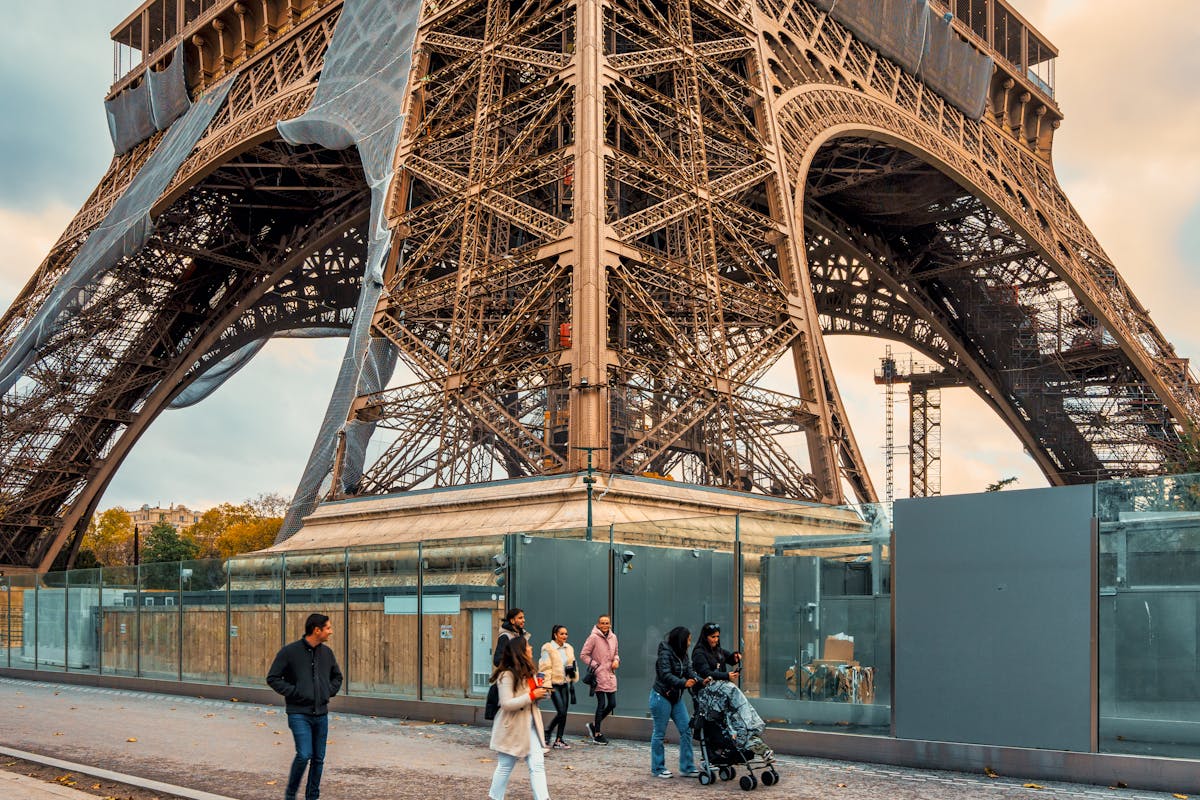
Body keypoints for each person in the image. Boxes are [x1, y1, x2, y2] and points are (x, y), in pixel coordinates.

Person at [266, 613, 343, 800]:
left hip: (321, 714)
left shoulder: (327, 653)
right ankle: (290, 795)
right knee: (304, 754)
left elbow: (337, 677)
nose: (331, 632)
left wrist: (327, 691)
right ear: (317, 630)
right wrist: (296, 693)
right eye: (328, 628)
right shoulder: (289, 652)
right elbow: (273, 678)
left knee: (318, 759)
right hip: (299, 713)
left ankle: (312, 796)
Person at [691, 621, 772, 762]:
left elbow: (727, 657)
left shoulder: (717, 650)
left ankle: (750, 739)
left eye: (717, 637)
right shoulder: (699, 653)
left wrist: (735, 656)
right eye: (712, 637)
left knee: (737, 715)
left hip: (721, 693)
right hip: (709, 695)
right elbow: (705, 672)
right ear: (705, 637)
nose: (716, 640)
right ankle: (736, 744)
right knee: (731, 710)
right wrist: (726, 676)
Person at [488, 635, 552, 800]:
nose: (531, 648)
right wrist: (531, 695)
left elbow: (532, 695)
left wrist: (544, 692)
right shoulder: (506, 675)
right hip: (512, 727)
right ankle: (495, 797)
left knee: (537, 765)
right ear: (521, 651)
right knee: (505, 766)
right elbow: (506, 703)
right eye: (528, 645)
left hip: (531, 725)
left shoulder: (530, 672)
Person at [649, 626, 705, 779]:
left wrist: (701, 680)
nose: (689, 642)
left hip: (676, 698)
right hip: (661, 696)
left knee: (686, 729)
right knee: (659, 734)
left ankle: (687, 767)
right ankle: (658, 768)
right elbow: (665, 675)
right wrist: (683, 683)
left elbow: (689, 671)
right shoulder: (665, 653)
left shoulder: (683, 654)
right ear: (681, 640)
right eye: (688, 639)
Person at [579, 613, 619, 743]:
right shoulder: (593, 637)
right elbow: (584, 655)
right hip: (599, 675)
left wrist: (617, 660)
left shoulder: (614, 637)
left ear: (610, 624)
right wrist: (597, 666)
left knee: (612, 703)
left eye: (607, 623)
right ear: (598, 624)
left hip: (611, 674)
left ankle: (593, 725)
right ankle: (597, 734)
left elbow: (616, 653)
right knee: (601, 704)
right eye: (602, 623)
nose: (605, 625)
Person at [538, 624, 578, 749]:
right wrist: (547, 686)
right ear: (555, 635)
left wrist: (572, 672)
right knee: (561, 711)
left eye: (566, 633)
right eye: (562, 633)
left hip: (565, 683)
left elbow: (573, 664)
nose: (565, 636)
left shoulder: (569, 648)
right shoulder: (547, 648)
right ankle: (548, 731)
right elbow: (544, 667)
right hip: (554, 684)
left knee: (564, 712)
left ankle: (559, 739)